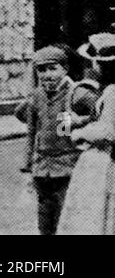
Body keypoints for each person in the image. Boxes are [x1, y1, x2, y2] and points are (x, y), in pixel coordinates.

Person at [14, 45, 84, 235]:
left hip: (68, 169)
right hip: (42, 170)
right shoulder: (37, 96)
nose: (47, 74)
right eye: (41, 70)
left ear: (65, 69)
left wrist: (79, 121)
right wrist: (27, 167)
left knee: (67, 221)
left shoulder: (76, 93)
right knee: (45, 224)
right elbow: (29, 129)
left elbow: (100, 115)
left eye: (53, 68)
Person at [57, 33, 115, 236]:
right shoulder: (93, 90)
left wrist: (78, 132)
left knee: (94, 212)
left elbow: (107, 129)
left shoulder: (85, 91)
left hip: (99, 158)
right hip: (54, 160)